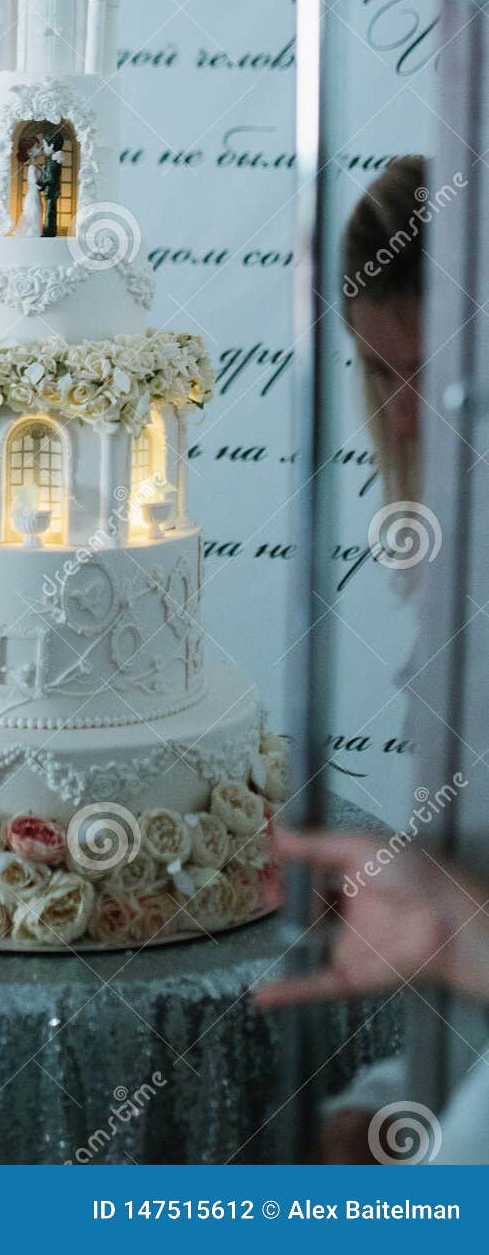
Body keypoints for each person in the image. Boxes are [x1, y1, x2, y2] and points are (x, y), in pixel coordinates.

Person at [254, 155, 489, 1163]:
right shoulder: (444, 554)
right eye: (376, 368)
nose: (399, 410)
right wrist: (398, 1097)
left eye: (427, 371)